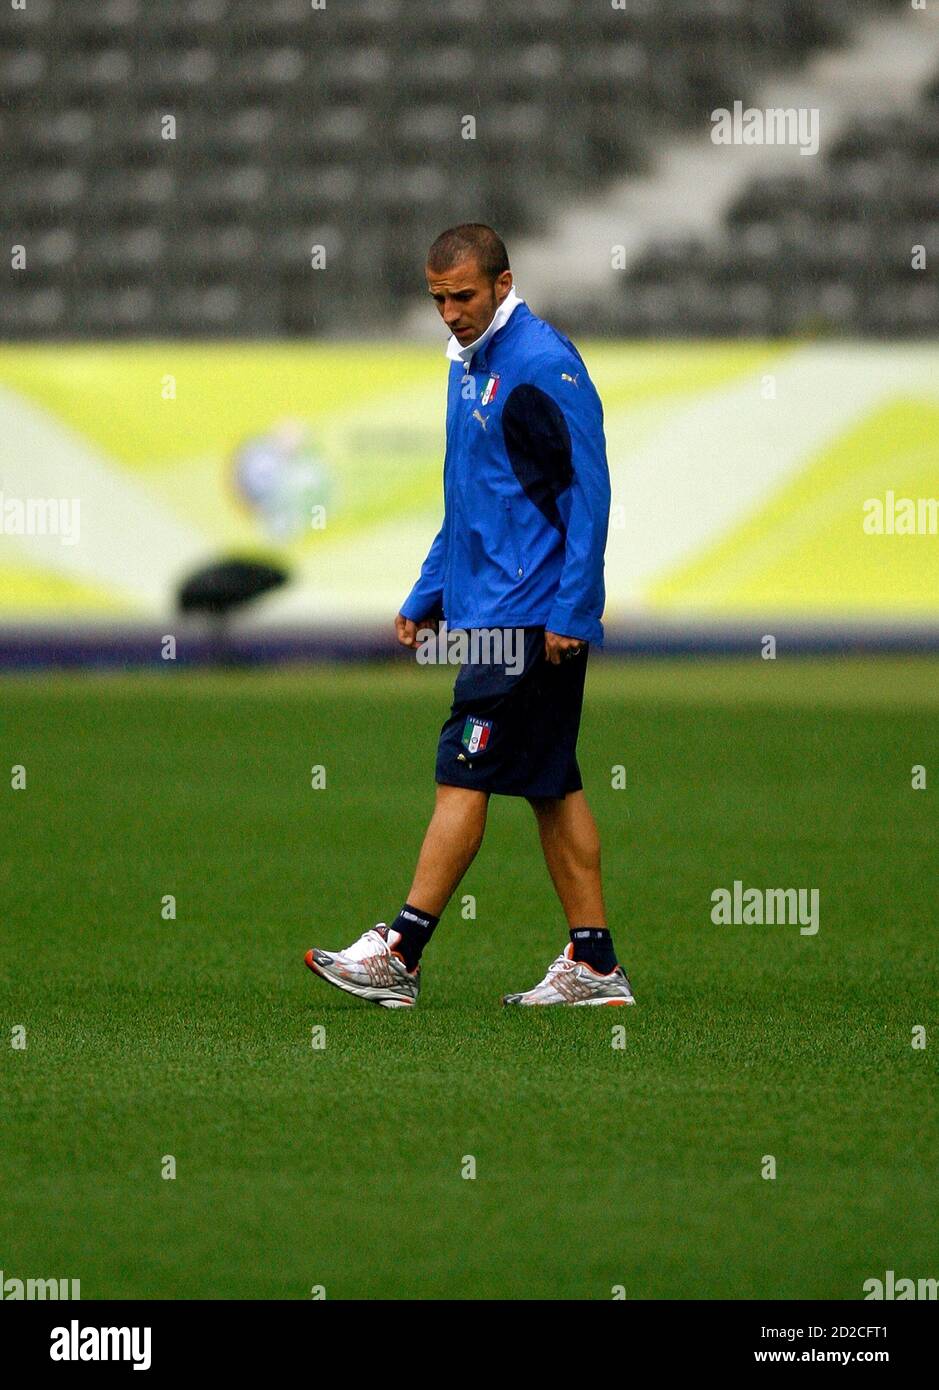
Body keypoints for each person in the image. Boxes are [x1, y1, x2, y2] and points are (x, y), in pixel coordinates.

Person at [305, 223, 635, 1009]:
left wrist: (572, 612)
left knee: (463, 770)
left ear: (501, 284)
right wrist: (427, 594)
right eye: (437, 299)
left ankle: (400, 951)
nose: (449, 312)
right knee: (553, 786)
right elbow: (471, 502)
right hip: (493, 609)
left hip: (527, 619)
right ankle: (592, 964)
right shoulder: (470, 367)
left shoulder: (540, 365)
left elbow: (589, 495)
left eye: (461, 296)